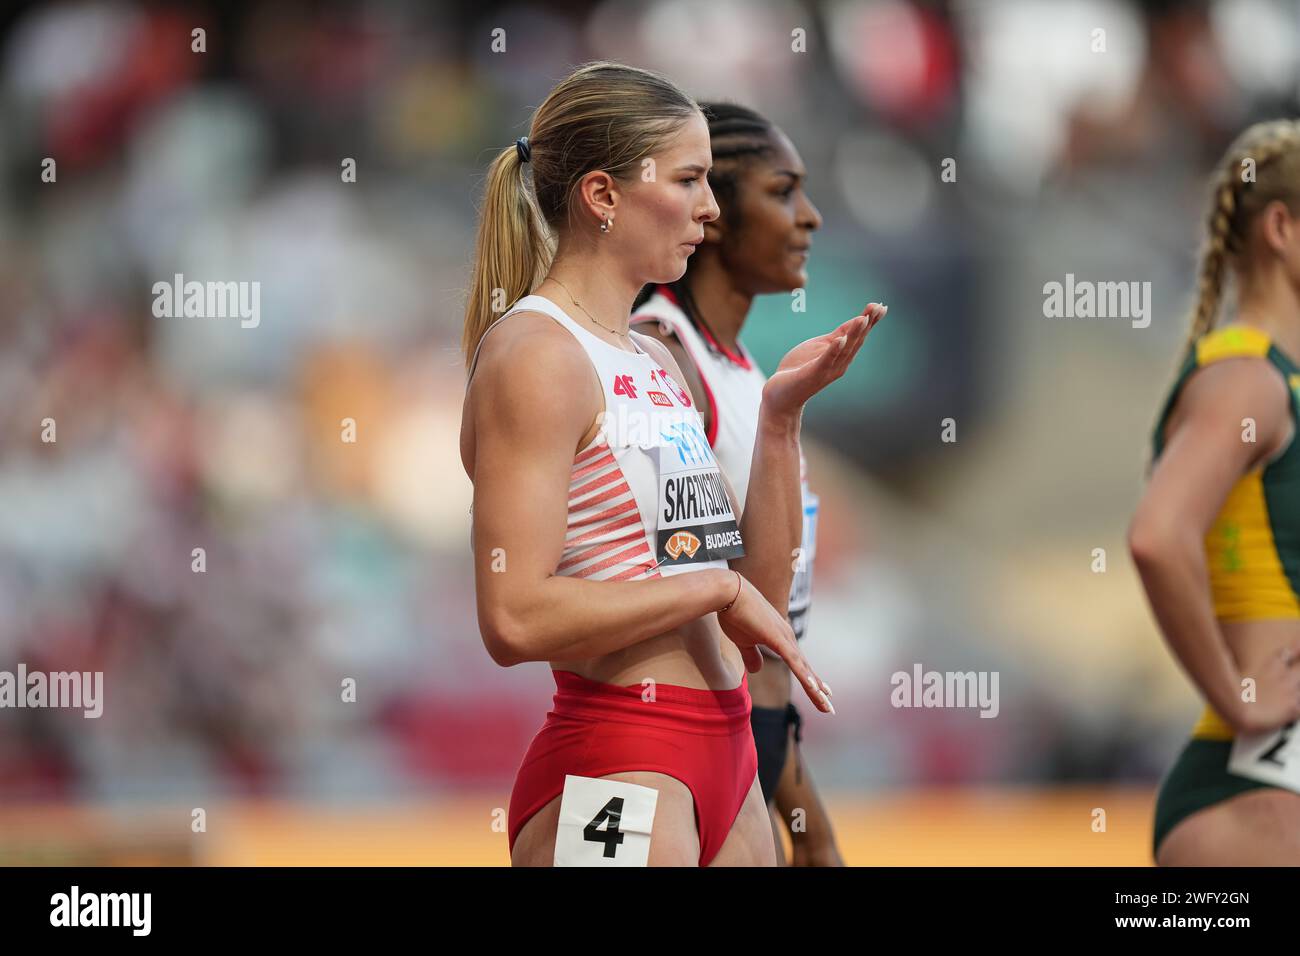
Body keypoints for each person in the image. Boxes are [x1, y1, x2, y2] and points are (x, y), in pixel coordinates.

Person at [459, 61, 882, 866]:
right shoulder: (536, 354)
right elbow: (512, 617)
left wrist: (781, 421)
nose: (711, 207)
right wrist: (710, 587)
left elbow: (749, 586)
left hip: (725, 756)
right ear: (603, 196)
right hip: (621, 753)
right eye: (689, 179)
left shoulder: (649, 357)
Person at [630, 101, 860, 865]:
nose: (811, 217)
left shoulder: (743, 368)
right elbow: (723, 585)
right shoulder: (663, 357)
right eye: (783, 191)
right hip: (693, 732)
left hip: (763, 724)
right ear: (714, 213)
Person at [1131, 118, 1300, 865]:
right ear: (1283, 228)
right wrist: (1238, 696)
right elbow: (1158, 537)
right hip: (1252, 800)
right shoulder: (1247, 381)